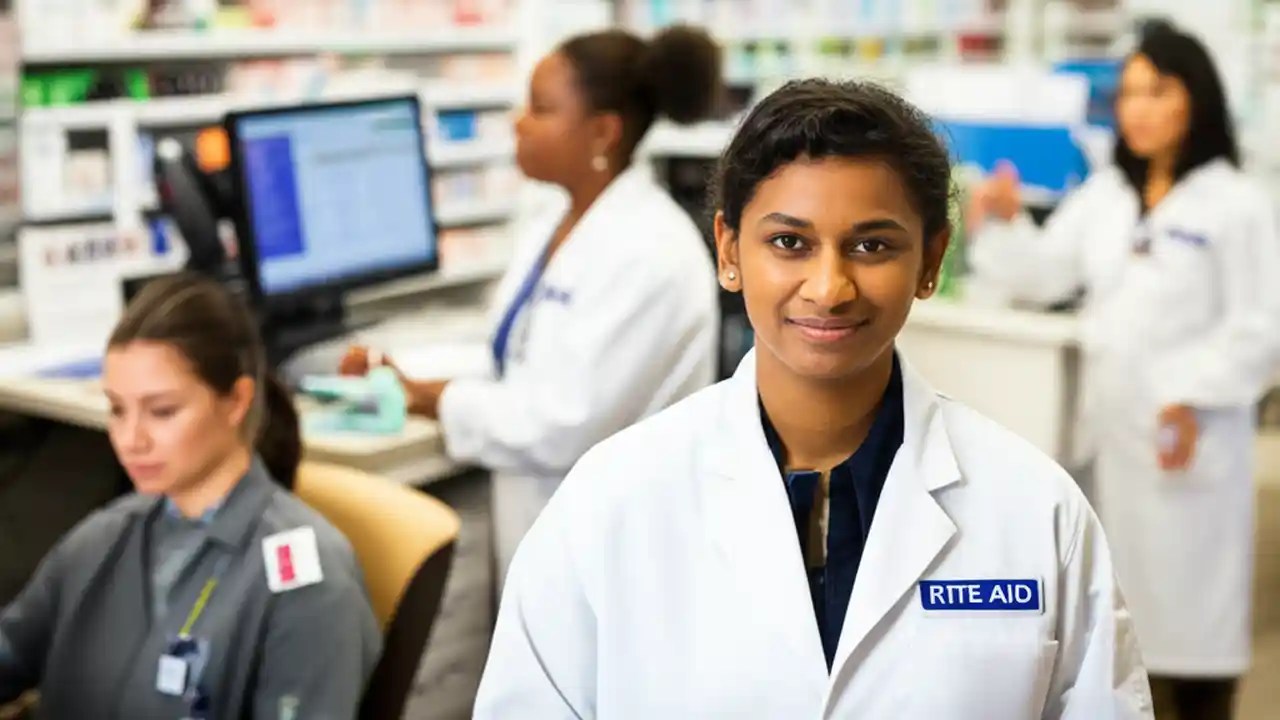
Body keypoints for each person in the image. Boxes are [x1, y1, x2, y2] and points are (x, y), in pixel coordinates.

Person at [473, 79, 1153, 718]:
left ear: (930, 261)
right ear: (729, 250)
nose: (829, 286)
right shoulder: (610, 501)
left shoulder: (1038, 511)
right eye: (789, 242)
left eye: (872, 244)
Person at [965, 24, 1280, 719]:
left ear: (1195, 100)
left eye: (1158, 91)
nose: (1138, 108)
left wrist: (1192, 393)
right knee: (1114, 625)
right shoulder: (1108, 194)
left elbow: (1263, 325)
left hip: (1189, 446)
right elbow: (1047, 272)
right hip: (1109, 443)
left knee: (1191, 632)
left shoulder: (1236, 203)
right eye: (1130, 92)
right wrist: (1005, 225)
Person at [342, 26, 722, 582]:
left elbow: (564, 422)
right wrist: (399, 371)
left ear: (602, 131)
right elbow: (515, 353)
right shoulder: (555, 221)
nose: (518, 122)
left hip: (618, 555)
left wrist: (435, 400)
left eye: (540, 109)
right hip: (548, 531)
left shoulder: (652, 250)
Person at [0, 274, 381, 718]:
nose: (130, 439)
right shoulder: (103, 539)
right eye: (117, 410)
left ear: (236, 401)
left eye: (161, 412)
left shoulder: (307, 585)